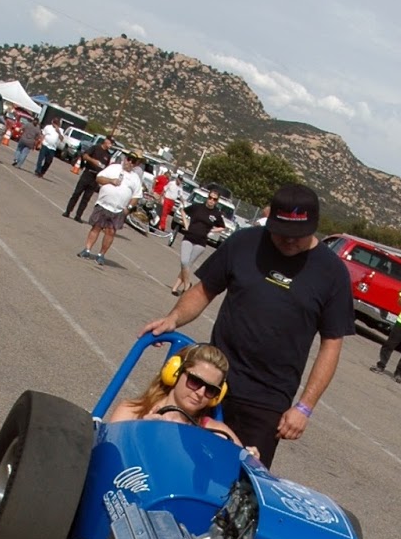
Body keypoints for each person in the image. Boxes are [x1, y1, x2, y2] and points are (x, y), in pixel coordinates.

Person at [138, 182, 354, 466]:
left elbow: (331, 344)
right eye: (281, 234)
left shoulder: (333, 273)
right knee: (178, 459)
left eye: (297, 236)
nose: (289, 241)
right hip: (212, 383)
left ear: (314, 227)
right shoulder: (245, 243)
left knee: (239, 483)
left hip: (267, 401)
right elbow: (205, 290)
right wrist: (173, 318)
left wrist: (304, 407)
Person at [106, 342, 244, 443]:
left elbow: (247, 465)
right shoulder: (131, 413)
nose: (201, 393)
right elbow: (108, 458)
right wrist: (140, 431)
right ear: (174, 373)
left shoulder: (217, 432)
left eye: (211, 389)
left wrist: (251, 460)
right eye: (195, 381)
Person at [78, 150, 145, 267]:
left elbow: (136, 196)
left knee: (110, 232)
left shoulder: (135, 178)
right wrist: (110, 181)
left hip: (118, 209)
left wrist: (128, 208)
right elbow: (99, 178)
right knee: (96, 227)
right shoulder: (114, 168)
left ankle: (101, 255)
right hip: (103, 204)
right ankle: (87, 250)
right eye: (128, 159)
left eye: (133, 161)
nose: (129, 162)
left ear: (136, 164)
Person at [173, 189, 226, 295]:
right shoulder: (197, 207)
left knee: (188, 264)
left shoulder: (216, 214)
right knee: (184, 262)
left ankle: (175, 288)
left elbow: (222, 227)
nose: (211, 201)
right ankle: (187, 285)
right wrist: (186, 224)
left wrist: (211, 230)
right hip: (189, 237)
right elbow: (183, 211)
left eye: (214, 199)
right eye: (210, 198)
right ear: (207, 197)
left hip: (201, 242)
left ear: (217, 201)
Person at [62, 135, 112, 221]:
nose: (111, 145)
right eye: (110, 142)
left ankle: (78, 216)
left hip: (95, 178)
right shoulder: (95, 148)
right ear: (106, 141)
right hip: (88, 174)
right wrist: (93, 161)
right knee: (77, 193)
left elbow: (106, 168)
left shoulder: (108, 155)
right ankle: (68, 211)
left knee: (86, 198)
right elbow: (85, 156)